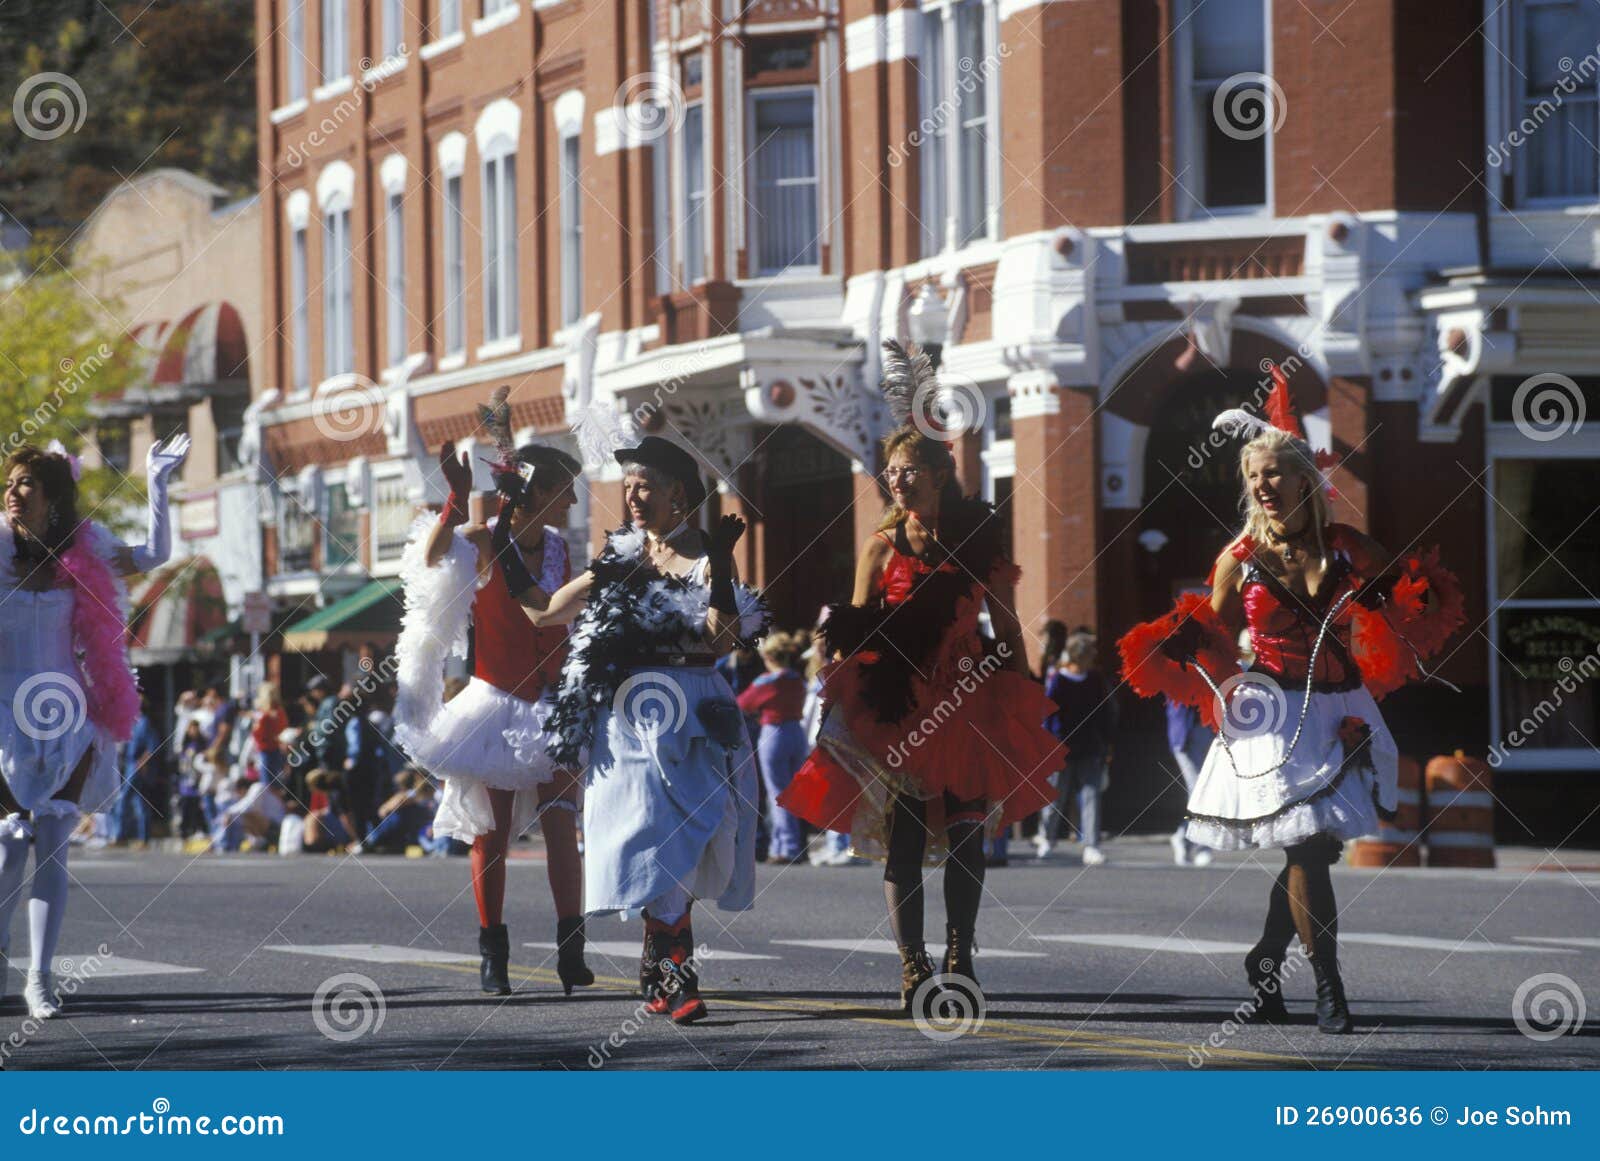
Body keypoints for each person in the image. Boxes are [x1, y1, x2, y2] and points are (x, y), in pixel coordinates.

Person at [1117, 365, 1464, 1033]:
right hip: (1274, 715)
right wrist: (1181, 642)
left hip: (1340, 707)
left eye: (1274, 472)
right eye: (1253, 476)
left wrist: (1392, 601)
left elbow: (1420, 596)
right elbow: (1212, 627)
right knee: (1306, 847)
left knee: (1313, 848)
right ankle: (1329, 986)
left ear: (1307, 478)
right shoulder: (1239, 555)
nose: (1262, 486)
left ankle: (1267, 961)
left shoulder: (1347, 549)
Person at [779, 341, 1063, 1013]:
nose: (897, 481)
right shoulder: (881, 546)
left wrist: (1021, 692)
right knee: (904, 839)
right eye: (890, 471)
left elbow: (1006, 622)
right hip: (901, 701)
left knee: (968, 831)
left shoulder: (977, 543)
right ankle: (913, 963)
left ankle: (962, 950)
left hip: (967, 698)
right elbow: (850, 625)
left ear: (938, 474)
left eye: (909, 470)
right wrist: (839, 688)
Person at [523, 435, 769, 1025]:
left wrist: (726, 563)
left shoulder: (708, 559)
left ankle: (661, 969)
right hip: (630, 715)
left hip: (692, 708)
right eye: (629, 486)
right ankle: (678, 978)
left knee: (688, 834)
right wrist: (510, 532)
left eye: (647, 486)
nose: (634, 496)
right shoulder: (617, 560)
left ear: (677, 494)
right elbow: (543, 610)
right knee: (651, 836)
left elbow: (721, 639)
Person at [393, 430, 595, 997]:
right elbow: (432, 557)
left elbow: (562, 619)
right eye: (564, 492)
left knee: (563, 830)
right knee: (492, 834)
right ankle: (493, 955)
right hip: (495, 705)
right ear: (534, 494)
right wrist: (455, 498)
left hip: (552, 705)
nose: (573, 504)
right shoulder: (484, 540)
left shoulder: (557, 547)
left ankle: (570, 953)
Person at [0, 436, 188, 1018]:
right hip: (3, 714)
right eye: (8, 482)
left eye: (25, 482)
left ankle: (40, 981)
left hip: (65, 716)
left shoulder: (82, 550)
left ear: (53, 497)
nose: (11, 491)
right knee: (8, 848)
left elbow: (154, 554)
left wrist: (156, 484)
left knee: (53, 850)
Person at [1034, 631, 1117, 865]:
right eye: (1090, 655)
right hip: (1060, 747)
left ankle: (1091, 845)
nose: (1093, 659)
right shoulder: (1058, 680)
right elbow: (1047, 714)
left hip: (1090, 746)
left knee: (1091, 796)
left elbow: (1104, 713)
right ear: (1078, 657)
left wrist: (1106, 743)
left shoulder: (1095, 679)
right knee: (1054, 796)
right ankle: (1047, 839)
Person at [736, 631, 810, 863]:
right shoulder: (797, 678)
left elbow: (742, 704)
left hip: (773, 733)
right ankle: (792, 843)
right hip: (796, 732)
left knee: (777, 792)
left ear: (768, 656)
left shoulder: (766, 681)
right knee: (795, 791)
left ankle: (786, 847)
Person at [1165, 698, 1215, 867]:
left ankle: (1183, 836)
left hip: (1207, 730)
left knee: (1206, 790)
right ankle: (1201, 845)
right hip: (1184, 734)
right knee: (1199, 792)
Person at [112, 695, 158, 848]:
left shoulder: (144, 723)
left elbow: (151, 747)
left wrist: (142, 764)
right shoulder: (133, 723)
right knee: (139, 802)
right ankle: (143, 838)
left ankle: (120, 836)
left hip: (136, 765)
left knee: (124, 799)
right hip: (129, 763)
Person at [251, 682, 289, 791]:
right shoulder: (276, 712)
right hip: (270, 749)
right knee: (272, 783)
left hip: (270, 750)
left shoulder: (266, 713)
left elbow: (257, 732)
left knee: (269, 784)